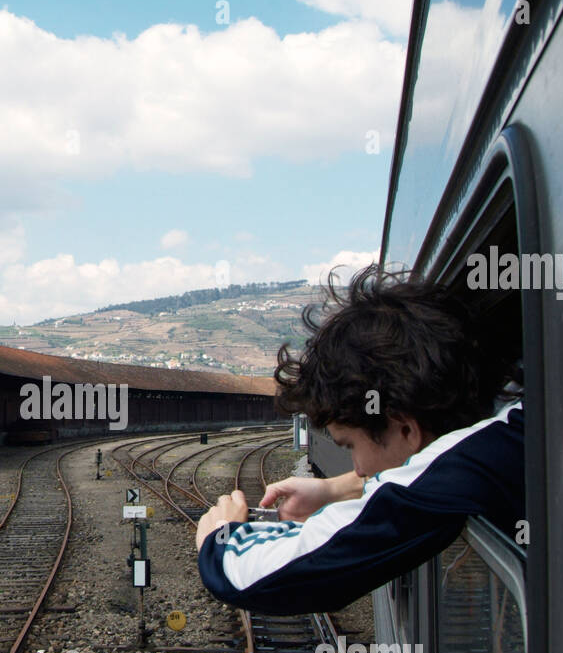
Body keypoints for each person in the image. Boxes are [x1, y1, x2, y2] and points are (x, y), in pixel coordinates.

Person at [195, 264, 524, 616]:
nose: (359, 468)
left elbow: (262, 575)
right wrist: (334, 490)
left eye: (350, 446)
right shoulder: (506, 430)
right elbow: (427, 473)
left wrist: (221, 537)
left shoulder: (490, 448)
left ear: (405, 429)